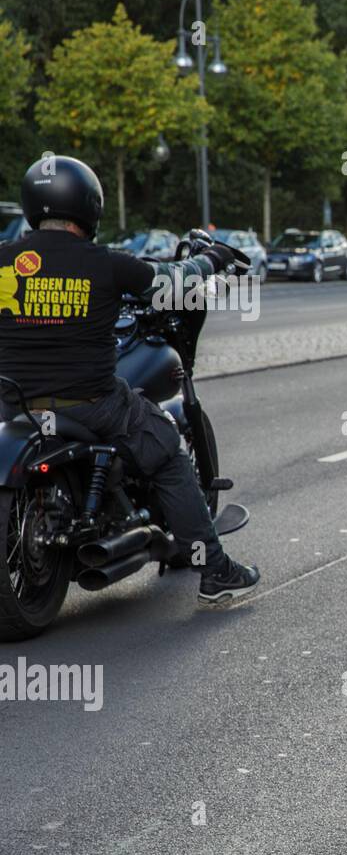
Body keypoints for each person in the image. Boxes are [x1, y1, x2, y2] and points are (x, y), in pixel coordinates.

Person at [0, 156, 260, 602]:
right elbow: (174, 280)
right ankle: (215, 570)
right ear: (89, 206)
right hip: (90, 402)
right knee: (168, 453)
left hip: (13, 400)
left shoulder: (4, 258)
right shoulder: (105, 263)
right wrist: (213, 256)